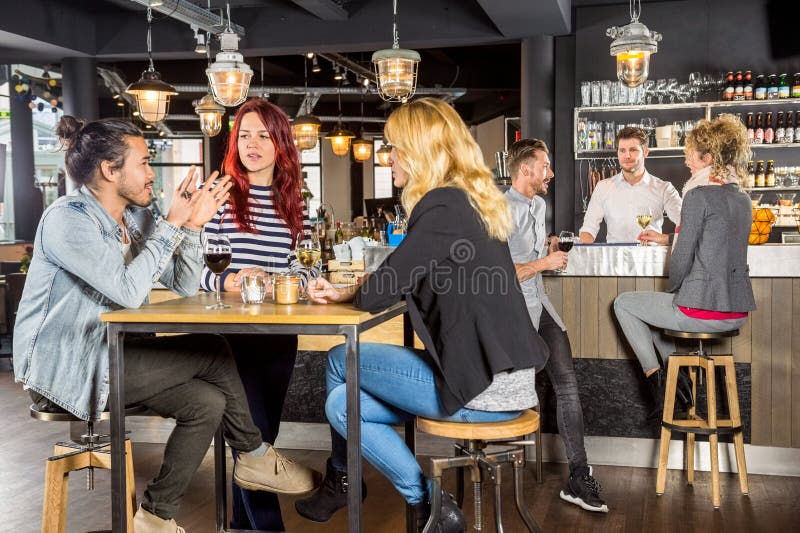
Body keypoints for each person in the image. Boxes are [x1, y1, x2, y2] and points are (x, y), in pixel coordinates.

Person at [13, 116, 319, 533]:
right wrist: (173, 224)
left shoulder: (132, 221)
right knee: (212, 348)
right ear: (110, 170)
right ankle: (254, 455)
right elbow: (124, 289)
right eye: (143, 162)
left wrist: (191, 227)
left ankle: (156, 517)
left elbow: (183, 283)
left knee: (206, 404)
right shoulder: (69, 219)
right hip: (67, 372)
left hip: (113, 356)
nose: (151, 173)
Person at [295, 97, 550, 531]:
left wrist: (351, 291)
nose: (388, 157)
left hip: (484, 391)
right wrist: (347, 291)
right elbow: (397, 277)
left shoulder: (443, 204)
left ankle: (413, 498)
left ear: (420, 152)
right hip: (507, 379)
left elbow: (380, 291)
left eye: (394, 148)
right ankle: (368, 486)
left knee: (341, 362)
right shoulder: (469, 200)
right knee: (342, 402)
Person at [200, 98, 317, 531]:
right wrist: (228, 281)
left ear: (280, 143)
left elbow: (304, 264)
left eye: (263, 135)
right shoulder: (221, 195)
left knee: (260, 441)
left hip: (279, 335)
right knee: (254, 449)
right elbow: (196, 268)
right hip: (232, 336)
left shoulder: (293, 202)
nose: (252, 143)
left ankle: (240, 525)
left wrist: (292, 282)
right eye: (244, 134)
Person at [613, 114, 756, 417]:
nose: (687, 162)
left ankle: (658, 384)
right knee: (656, 316)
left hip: (702, 309)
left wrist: (677, 290)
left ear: (707, 157)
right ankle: (678, 383)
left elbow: (681, 260)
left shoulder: (698, 195)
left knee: (625, 304)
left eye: (691, 155)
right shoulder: (742, 199)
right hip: (737, 311)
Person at [505, 138, 608, 513]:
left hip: (540, 304)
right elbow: (498, 275)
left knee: (567, 384)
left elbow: (530, 262)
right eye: (545, 166)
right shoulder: (501, 209)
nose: (551, 173)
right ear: (525, 169)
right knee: (518, 386)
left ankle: (579, 476)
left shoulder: (540, 203)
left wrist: (547, 255)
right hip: (511, 312)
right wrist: (542, 265)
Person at [579, 126, 682, 243]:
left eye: (633, 150)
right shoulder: (603, 187)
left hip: (651, 260)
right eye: (622, 150)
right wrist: (584, 256)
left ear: (646, 152)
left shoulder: (664, 188)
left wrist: (665, 239)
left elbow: (686, 223)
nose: (627, 156)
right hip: (615, 260)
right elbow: (588, 229)